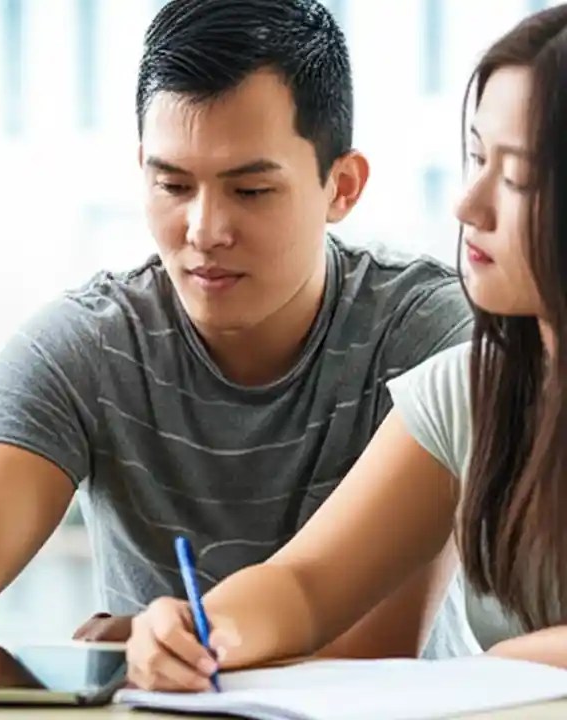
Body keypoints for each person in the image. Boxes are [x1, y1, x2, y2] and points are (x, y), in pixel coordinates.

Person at [0, 0, 473, 658]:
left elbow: (377, 652)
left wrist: (179, 647)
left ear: (341, 186)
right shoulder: (82, 350)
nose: (205, 231)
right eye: (174, 185)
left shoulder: (432, 339)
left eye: (251, 191)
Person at [123, 4, 567, 691]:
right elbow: (303, 586)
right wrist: (203, 631)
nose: (467, 204)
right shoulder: (470, 391)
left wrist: (505, 668)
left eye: (517, 178)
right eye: (477, 157)